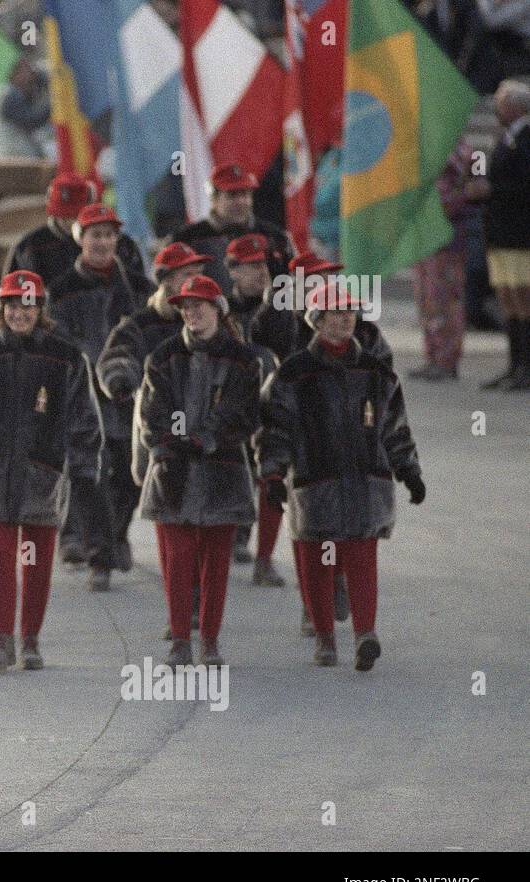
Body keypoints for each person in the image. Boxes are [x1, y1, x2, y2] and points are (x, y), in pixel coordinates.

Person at [257, 285, 425, 670]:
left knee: (363, 556)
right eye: (335, 313)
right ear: (317, 321)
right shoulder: (292, 374)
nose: (344, 319)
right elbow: (275, 430)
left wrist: (409, 470)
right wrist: (273, 475)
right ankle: (325, 637)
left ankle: (366, 634)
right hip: (316, 484)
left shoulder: (376, 372)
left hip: (368, 484)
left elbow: (395, 428)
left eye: (350, 312)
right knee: (319, 559)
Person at [0, 270, 103, 673]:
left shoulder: (66, 359)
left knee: (34, 557)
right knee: (0, 554)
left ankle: (31, 638)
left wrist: (84, 469)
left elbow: (84, 419)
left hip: (42, 477)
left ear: (40, 309)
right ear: (2, 308)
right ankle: (3, 638)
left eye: (28, 305)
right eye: (13, 304)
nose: (20, 312)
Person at [134, 275, 261, 667]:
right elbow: (154, 413)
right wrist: (179, 441)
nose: (191, 312)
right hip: (174, 471)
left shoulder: (243, 360)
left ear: (218, 310)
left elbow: (243, 414)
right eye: (185, 306)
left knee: (216, 563)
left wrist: (207, 437)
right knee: (179, 559)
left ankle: (209, 639)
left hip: (223, 472)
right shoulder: (163, 357)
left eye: (199, 305)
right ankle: (179, 640)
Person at [46, 203, 150, 588]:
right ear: (80, 240)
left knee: (130, 470)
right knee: (90, 473)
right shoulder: (60, 291)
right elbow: (58, 342)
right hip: (84, 394)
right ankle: (99, 555)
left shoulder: (139, 288)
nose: (103, 242)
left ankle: (117, 534)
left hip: (131, 394)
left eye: (109, 235)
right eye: (96, 235)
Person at [97, 242, 211, 579]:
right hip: (141, 422)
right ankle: (108, 546)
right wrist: (121, 380)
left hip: (195, 423)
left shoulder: (205, 318)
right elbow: (118, 353)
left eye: (198, 274)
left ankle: (191, 571)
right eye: (187, 275)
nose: (195, 281)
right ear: (166, 281)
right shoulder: (140, 322)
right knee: (126, 487)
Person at [223, 233, 282, 579]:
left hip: (271, 406)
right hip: (232, 408)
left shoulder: (279, 308)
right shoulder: (218, 310)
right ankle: (235, 538)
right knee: (234, 473)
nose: (261, 272)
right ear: (232, 270)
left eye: (265, 265)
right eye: (252, 266)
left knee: (273, 475)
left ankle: (265, 557)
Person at [469, 80, 530, 391]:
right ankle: (514, 365)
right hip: (501, 234)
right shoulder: (506, 137)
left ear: (515, 106)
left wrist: (493, 189)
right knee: (508, 300)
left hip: (519, 235)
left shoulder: (526, 138)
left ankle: (526, 367)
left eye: (501, 102)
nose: (496, 107)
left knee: (523, 300)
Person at [7, 172, 146, 289]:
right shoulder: (29, 247)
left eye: (76, 215)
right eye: (64, 215)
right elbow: (13, 300)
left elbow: (140, 292)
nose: (71, 221)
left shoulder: (122, 245)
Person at [172, 163, 295, 294]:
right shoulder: (188, 239)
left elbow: (292, 280)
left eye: (245, 194)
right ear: (214, 198)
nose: (241, 201)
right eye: (232, 195)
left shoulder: (274, 236)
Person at [409, 143, 474, 382]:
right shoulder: (427, 149)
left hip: (447, 238)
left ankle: (448, 359)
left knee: (447, 300)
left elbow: (476, 187)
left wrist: (444, 206)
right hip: (424, 238)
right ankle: (433, 354)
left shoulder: (464, 150)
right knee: (427, 300)